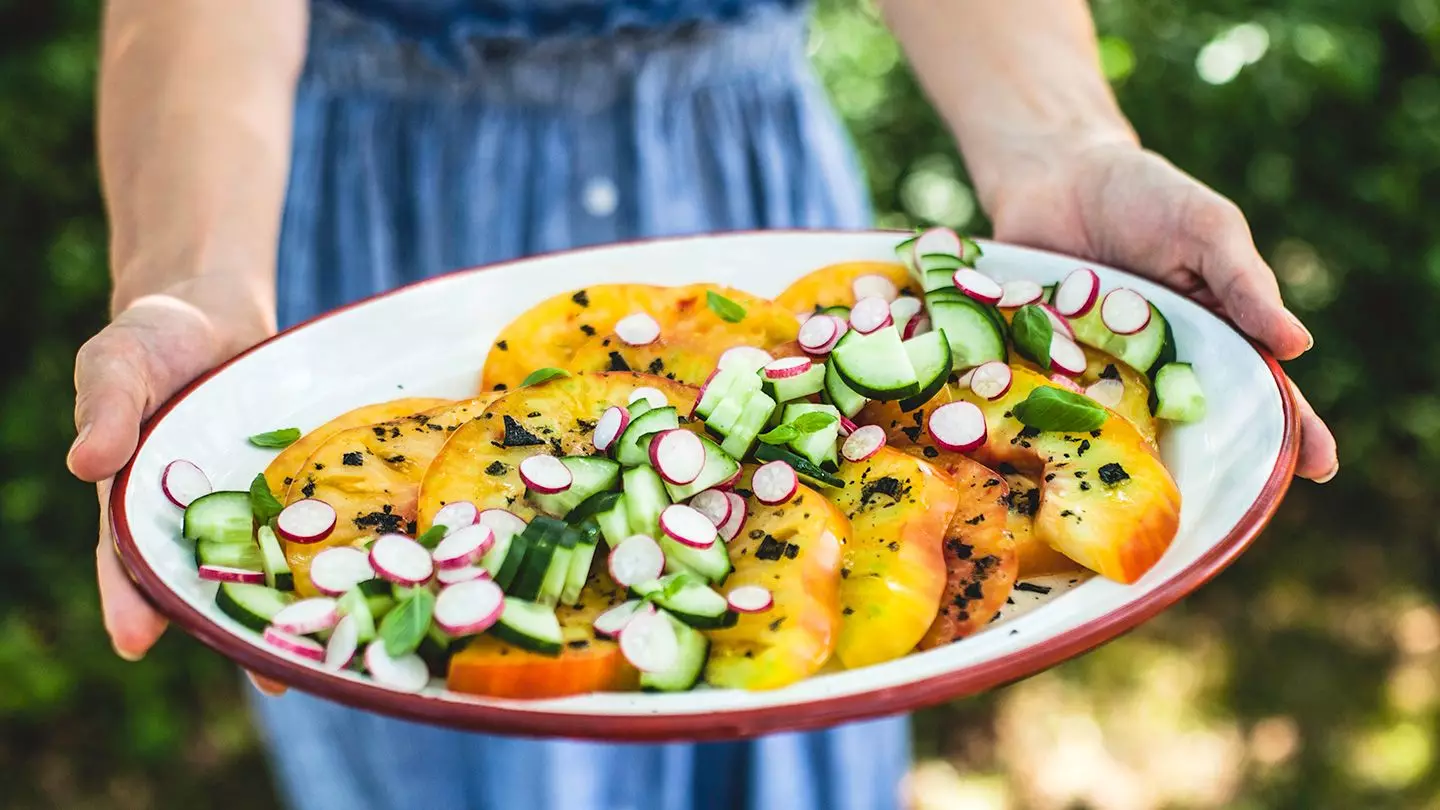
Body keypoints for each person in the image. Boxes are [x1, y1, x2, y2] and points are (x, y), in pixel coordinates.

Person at [71, 1, 1340, 809]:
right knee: (462, 755)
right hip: (386, 216)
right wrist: (192, 282)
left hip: (740, 185)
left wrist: (1062, 148)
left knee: (800, 719)